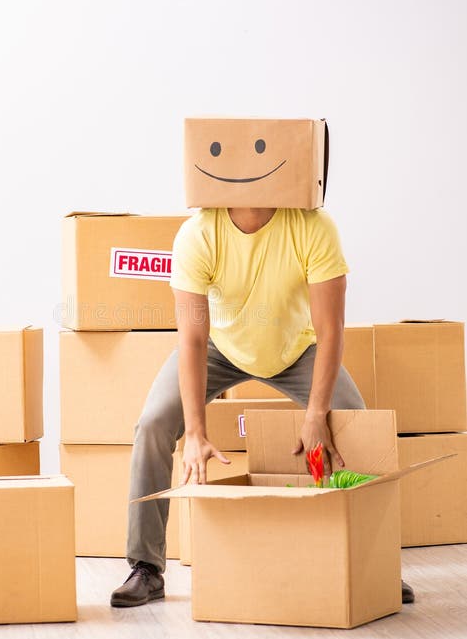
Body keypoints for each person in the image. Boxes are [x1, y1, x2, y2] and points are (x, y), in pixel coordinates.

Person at [110, 205, 414, 607]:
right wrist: (196, 432)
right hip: (220, 348)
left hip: (295, 348)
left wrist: (315, 415)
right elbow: (193, 340)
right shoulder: (198, 234)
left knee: (356, 424)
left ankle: (372, 566)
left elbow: (330, 331)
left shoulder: (312, 227)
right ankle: (146, 568)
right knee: (152, 424)